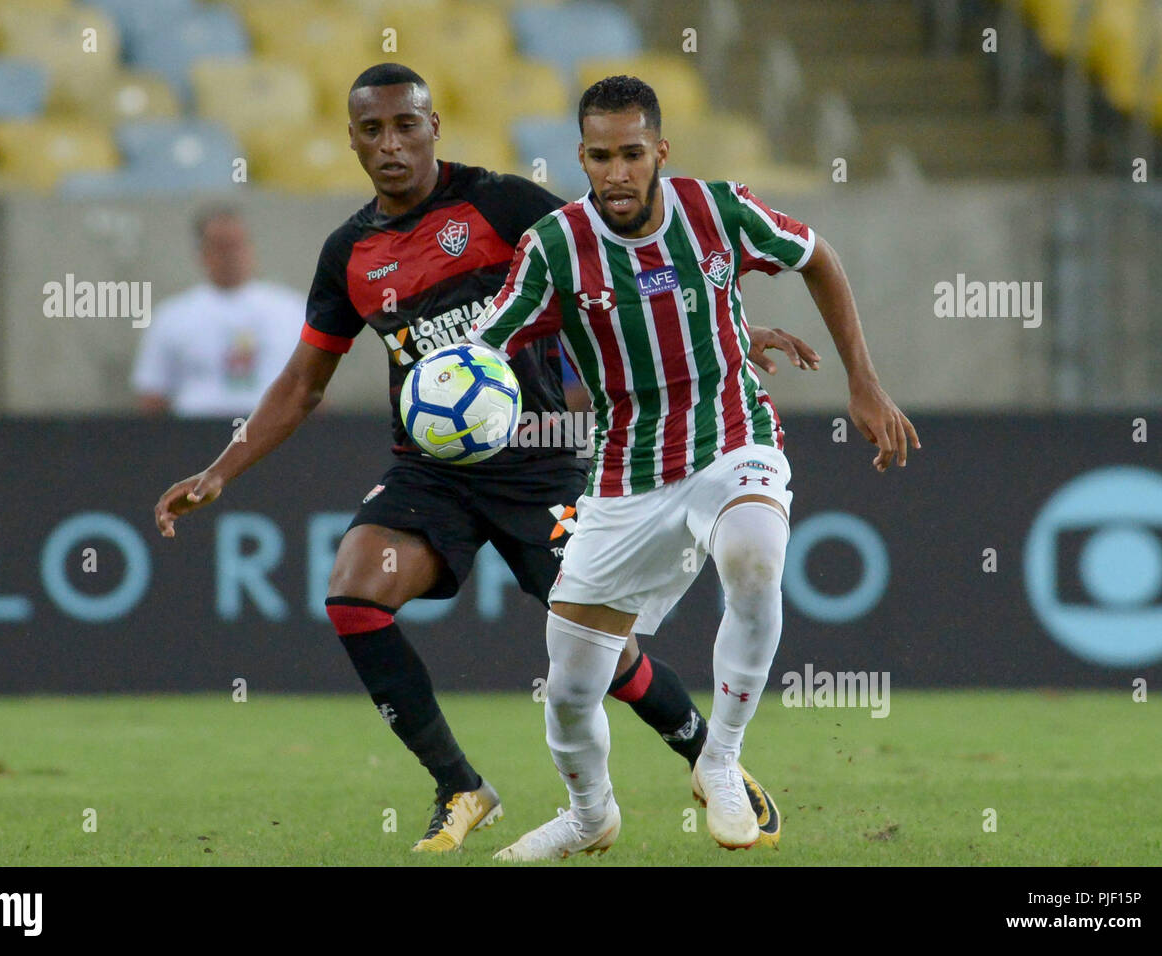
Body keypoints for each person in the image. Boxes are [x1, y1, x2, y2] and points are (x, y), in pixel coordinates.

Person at [151, 63, 813, 853]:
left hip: (542, 460)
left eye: (406, 126)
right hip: (432, 471)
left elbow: (628, 258)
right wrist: (219, 470)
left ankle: (710, 760)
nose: (391, 144)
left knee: (608, 659)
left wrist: (736, 332)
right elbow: (302, 381)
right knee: (353, 594)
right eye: (373, 130)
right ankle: (460, 784)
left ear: (435, 127)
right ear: (353, 141)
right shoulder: (350, 254)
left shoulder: (502, 203)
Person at [472, 75, 920, 860]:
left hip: (729, 437)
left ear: (660, 152)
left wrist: (864, 380)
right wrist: (452, 387)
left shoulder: (718, 210)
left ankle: (720, 758)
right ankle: (588, 815)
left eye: (632, 154)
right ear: (580, 156)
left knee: (754, 557)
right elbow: (489, 342)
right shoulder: (554, 247)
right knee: (573, 689)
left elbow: (818, 255)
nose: (616, 173)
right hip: (623, 474)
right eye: (600, 156)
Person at [132, 206, 304, 417]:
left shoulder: (292, 309)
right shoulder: (171, 316)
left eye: (237, 245)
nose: (231, 255)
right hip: (196, 436)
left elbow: (312, 386)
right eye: (221, 247)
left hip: (273, 434)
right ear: (202, 253)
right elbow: (153, 395)